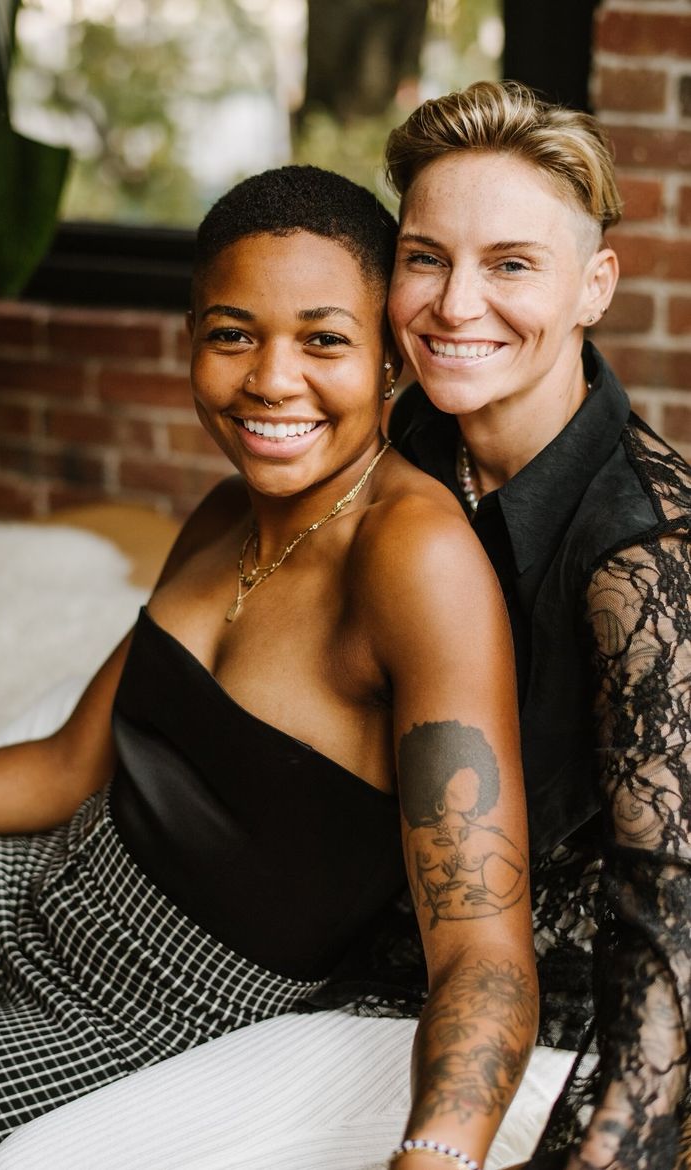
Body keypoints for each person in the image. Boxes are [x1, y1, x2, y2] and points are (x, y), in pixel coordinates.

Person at [0, 165, 537, 1170]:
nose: (270, 381)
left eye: (323, 340)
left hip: (142, 1010)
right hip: (36, 886)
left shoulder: (415, 560)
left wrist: (439, 1154)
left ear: (391, 359)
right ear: (191, 338)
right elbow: (66, 769)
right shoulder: (223, 511)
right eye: (234, 334)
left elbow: (480, 947)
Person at [384, 80, 691, 1169]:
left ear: (594, 286)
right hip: (405, 924)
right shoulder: (411, 439)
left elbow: (668, 929)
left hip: (568, 1000)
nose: (455, 304)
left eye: (511, 265)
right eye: (425, 258)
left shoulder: (645, 554)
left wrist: (613, 1140)